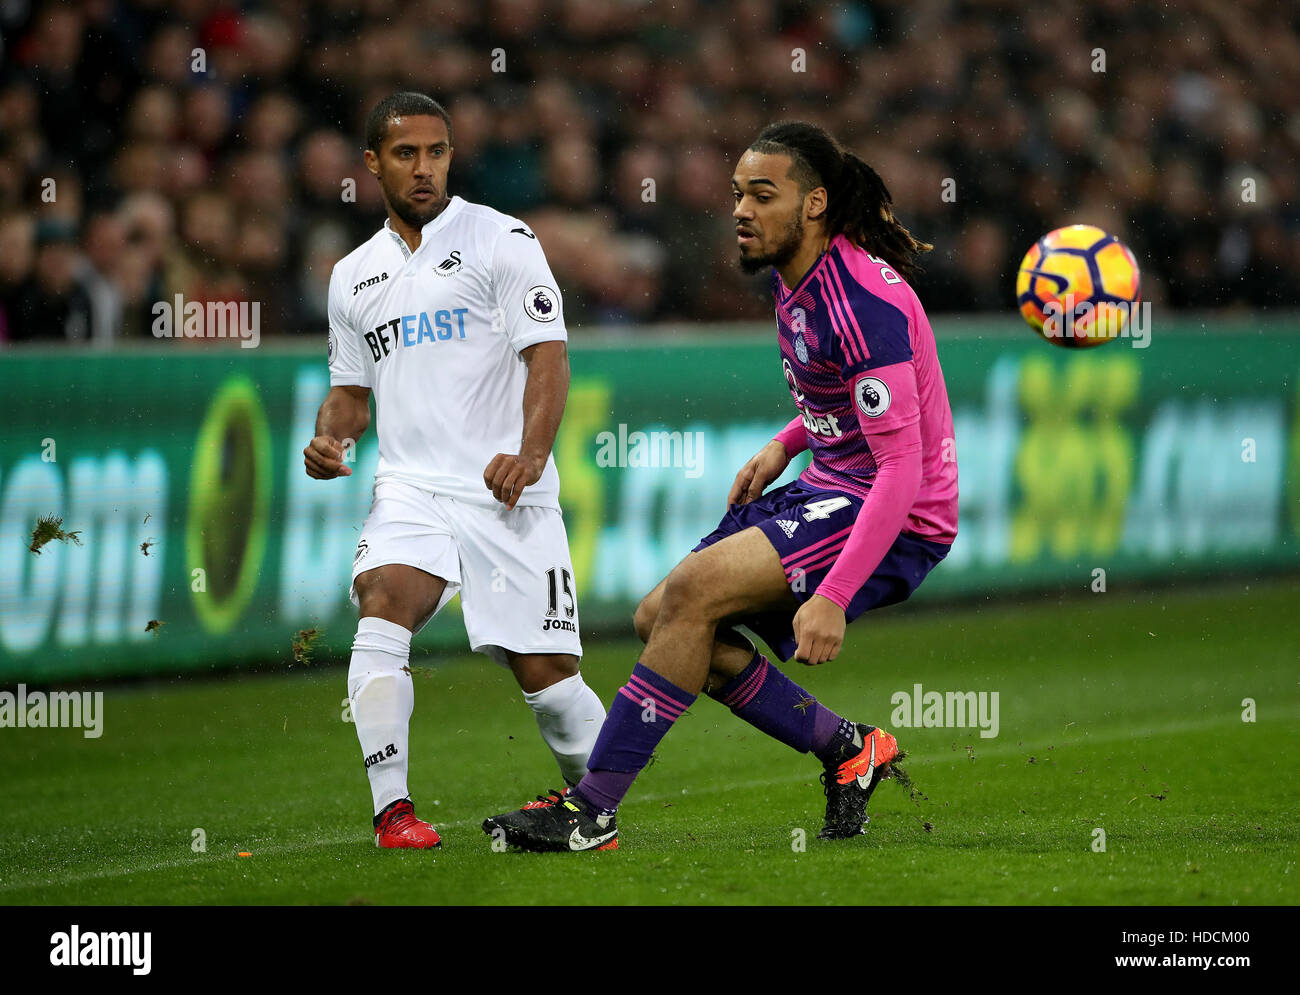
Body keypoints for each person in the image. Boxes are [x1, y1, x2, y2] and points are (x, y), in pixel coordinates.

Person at [483, 121, 958, 852]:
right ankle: (846, 747)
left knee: (693, 595)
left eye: (762, 195)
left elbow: (903, 466)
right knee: (660, 616)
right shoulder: (794, 277)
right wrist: (785, 441)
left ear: (815, 204)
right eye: (738, 193)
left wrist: (832, 597)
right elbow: (842, 401)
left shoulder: (862, 303)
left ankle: (591, 809)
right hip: (834, 482)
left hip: (899, 510)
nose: (740, 209)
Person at [304, 92, 605, 849]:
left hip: (506, 490)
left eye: (437, 152)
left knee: (552, 683)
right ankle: (392, 812)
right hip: (411, 486)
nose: (424, 167)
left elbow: (549, 355)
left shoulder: (502, 239)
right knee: (383, 604)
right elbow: (350, 395)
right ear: (372, 163)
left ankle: (597, 802)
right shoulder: (352, 277)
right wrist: (329, 439)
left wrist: (532, 454)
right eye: (406, 154)